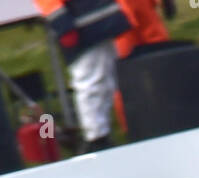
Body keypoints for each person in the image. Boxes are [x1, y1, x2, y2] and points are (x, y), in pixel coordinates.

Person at [34, 0, 131, 152]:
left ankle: (100, 133)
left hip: (93, 19)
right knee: (91, 80)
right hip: (80, 24)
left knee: (106, 78)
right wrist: (63, 25)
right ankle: (96, 137)